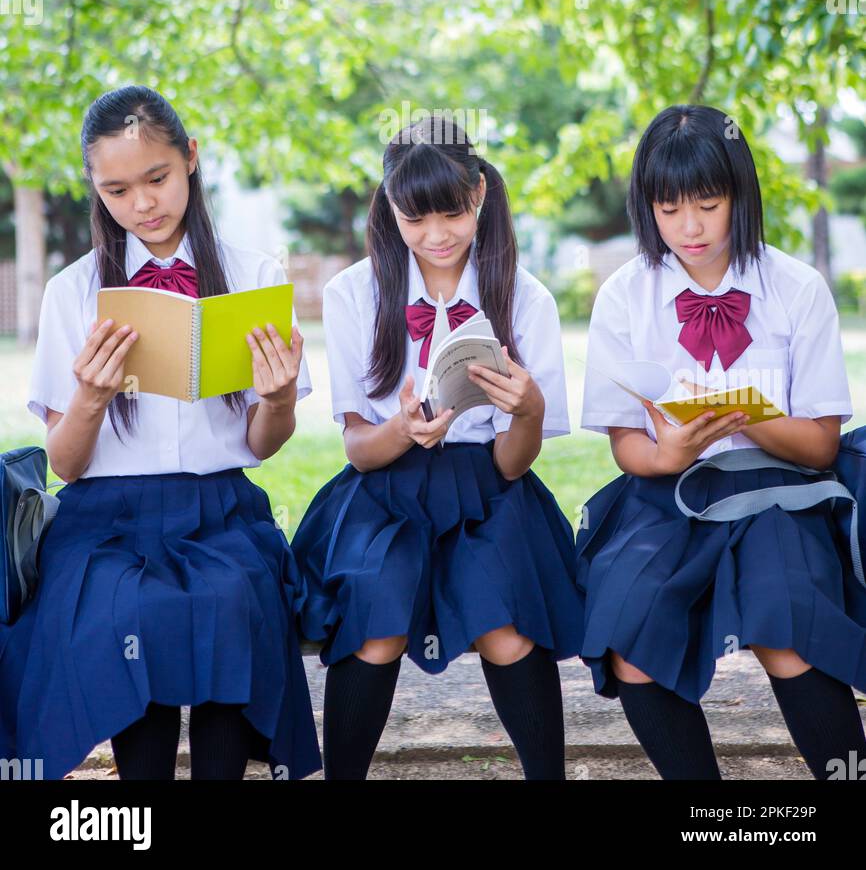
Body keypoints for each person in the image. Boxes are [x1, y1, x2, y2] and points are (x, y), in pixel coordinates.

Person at [0, 85, 321, 782]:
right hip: (104, 519)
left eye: (157, 178)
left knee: (232, 604)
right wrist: (88, 397)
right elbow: (67, 464)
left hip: (220, 511)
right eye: (116, 190)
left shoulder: (250, 275)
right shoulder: (73, 291)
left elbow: (265, 443)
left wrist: (278, 396)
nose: (142, 204)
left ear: (191, 159)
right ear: (94, 188)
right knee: (130, 611)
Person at [576, 102, 866, 780]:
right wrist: (668, 453)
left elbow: (821, 445)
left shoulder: (796, 287)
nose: (691, 227)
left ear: (742, 193)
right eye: (669, 209)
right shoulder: (624, 296)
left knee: (789, 628)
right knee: (633, 644)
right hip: (669, 490)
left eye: (709, 203)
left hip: (781, 489)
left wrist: (744, 416)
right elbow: (627, 444)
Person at [291, 115, 582, 780]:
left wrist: (529, 410)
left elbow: (513, 461)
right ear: (389, 209)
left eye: (451, 213)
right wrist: (401, 430)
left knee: (505, 625)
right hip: (384, 487)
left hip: (489, 487)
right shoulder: (353, 292)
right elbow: (358, 451)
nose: (435, 236)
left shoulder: (526, 297)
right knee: (376, 618)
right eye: (413, 218)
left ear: (479, 194)